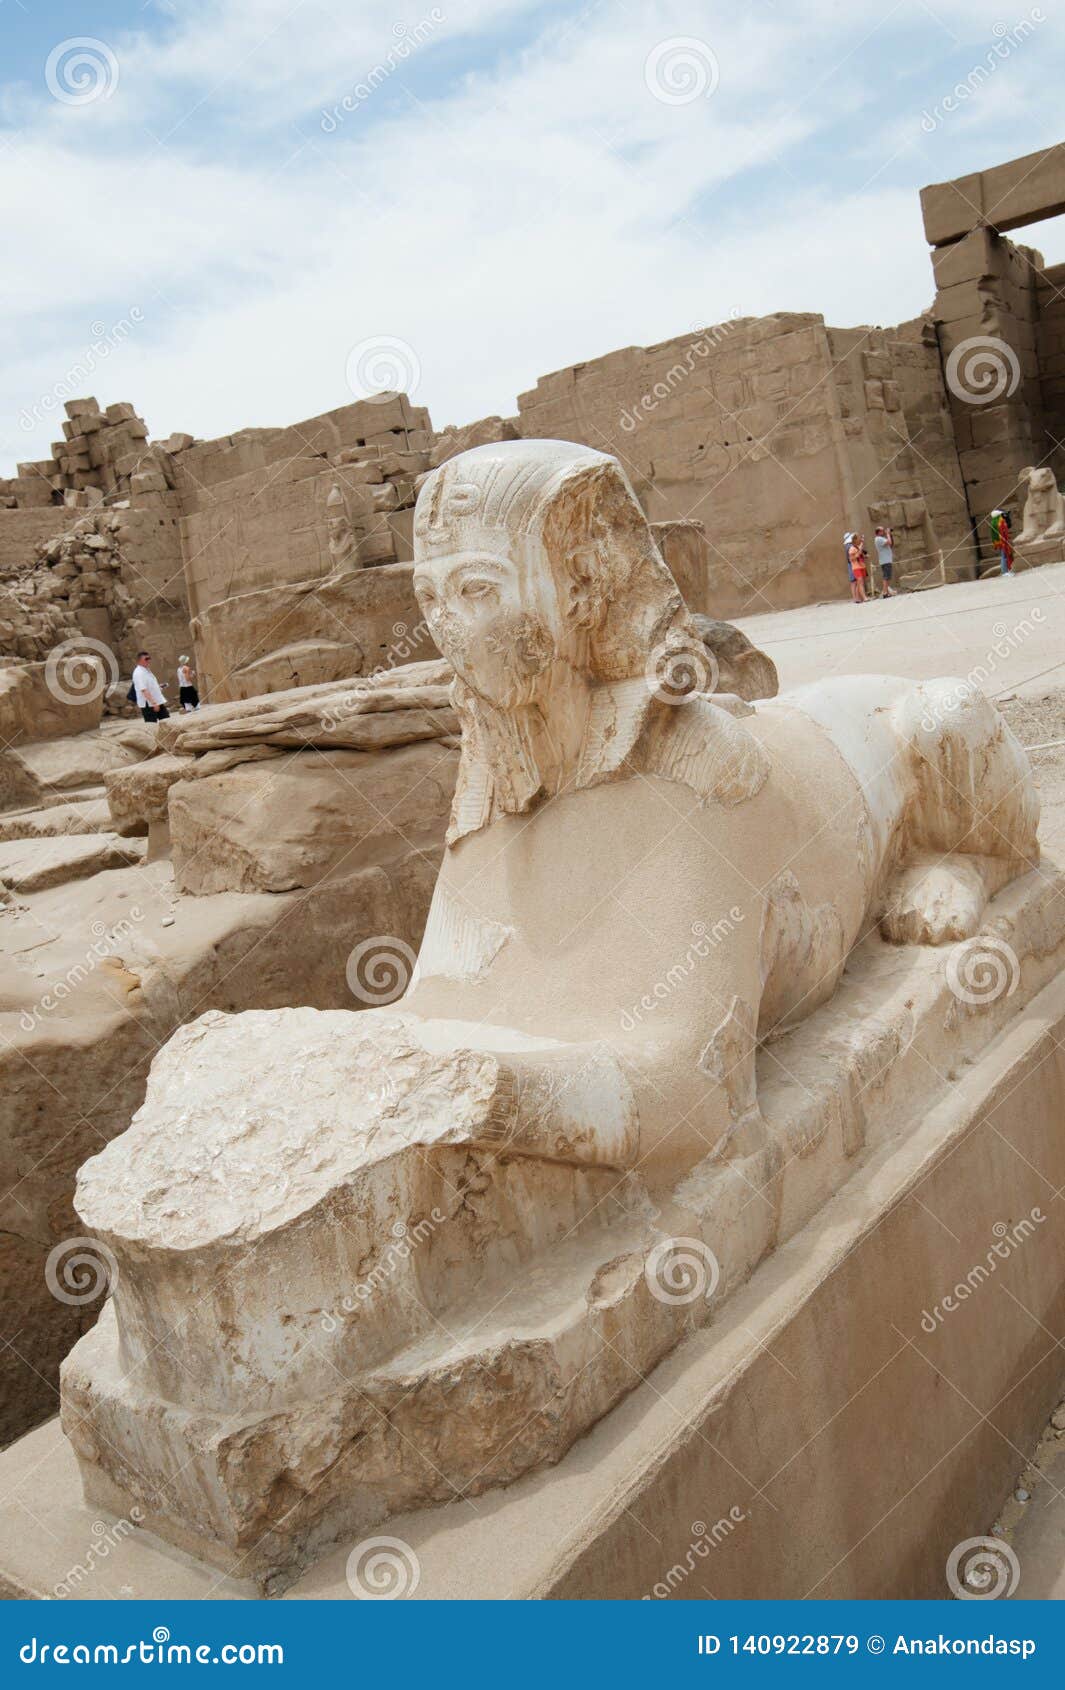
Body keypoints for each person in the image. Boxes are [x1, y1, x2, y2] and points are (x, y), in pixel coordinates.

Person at [131, 650, 170, 722]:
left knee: (166, 721)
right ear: (139, 661)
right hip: (148, 703)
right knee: (152, 724)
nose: (148, 660)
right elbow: (143, 690)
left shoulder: (146, 670)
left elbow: (149, 685)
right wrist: (154, 703)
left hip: (156, 701)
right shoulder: (139, 672)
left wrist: (159, 687)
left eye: (149, 658)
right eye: (146, 659)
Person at [989, 508, 1013, 575]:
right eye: (1001, 514)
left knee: (1004, 555)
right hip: (1001, 541)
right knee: (1004, 556)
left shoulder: (995, 521)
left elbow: (1008, 526)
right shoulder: (999, 521)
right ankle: (1004, 572)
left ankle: (1006, 571)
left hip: (1000, 541)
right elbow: (1002, 530)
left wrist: (1007, 517)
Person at [874, 525, 896, 596]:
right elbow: (889, 542)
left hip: (886, 560)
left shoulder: (881, 539)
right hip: (885, 560)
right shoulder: (878, 539)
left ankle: (886, 592)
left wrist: (890, 535)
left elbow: (891, 545)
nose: (884, 531)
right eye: (882, 530)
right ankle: (884, 592)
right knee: (886, 577)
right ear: (879, 532)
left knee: (887, 576)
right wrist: (888, 534)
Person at [848, 532, 868, 603]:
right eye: (858, 538)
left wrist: (865, 556)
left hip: (862, 566)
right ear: (855, 540)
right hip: (856, 567)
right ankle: (864, 597)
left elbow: (861, 555)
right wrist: (858, 553)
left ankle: (858, 598)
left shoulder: (858, 547)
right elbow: (851, 559)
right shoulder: (852, 548)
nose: (859, 539)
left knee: (860, 583)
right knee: (860, 582)